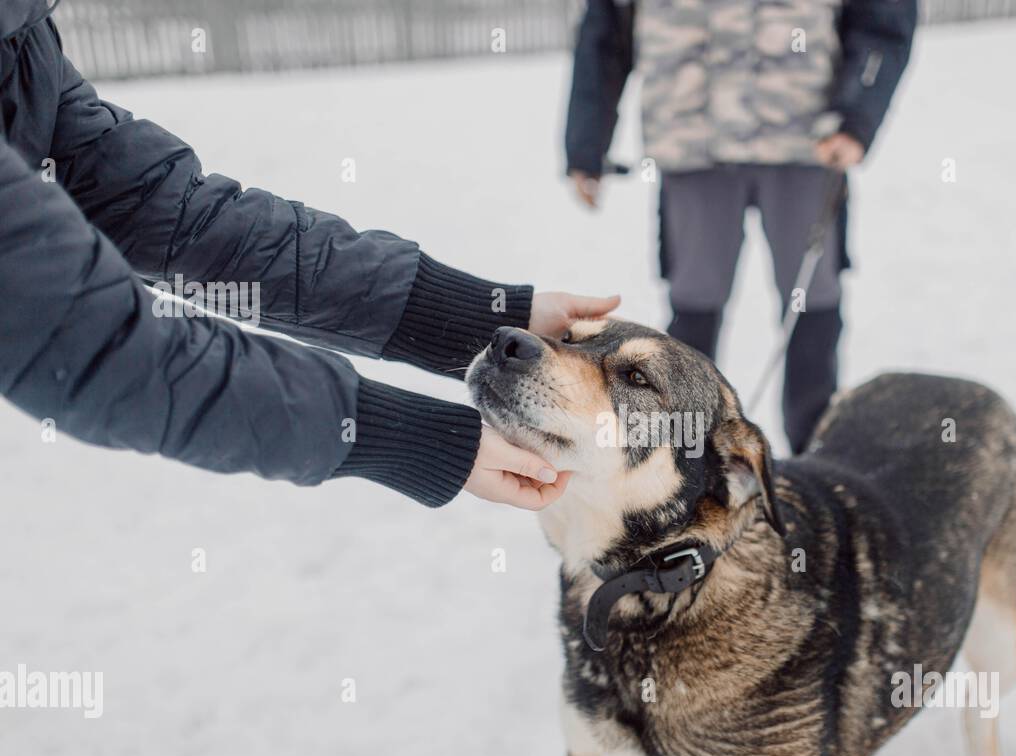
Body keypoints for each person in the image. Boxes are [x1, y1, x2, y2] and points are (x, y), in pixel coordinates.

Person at [0, 0, 615, 511]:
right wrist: (402, 433)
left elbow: (176, 213)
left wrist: (480, 319)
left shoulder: (19, 41)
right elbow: (92, 342)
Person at [564, 0, 916, 453]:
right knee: (693, 307)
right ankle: (684, 459)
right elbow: (603, 35)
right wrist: (586, 142)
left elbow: (882, 21)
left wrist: (858, 115)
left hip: (806, 143)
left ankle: (813, 455)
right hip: (690, 144)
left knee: (810, 302)